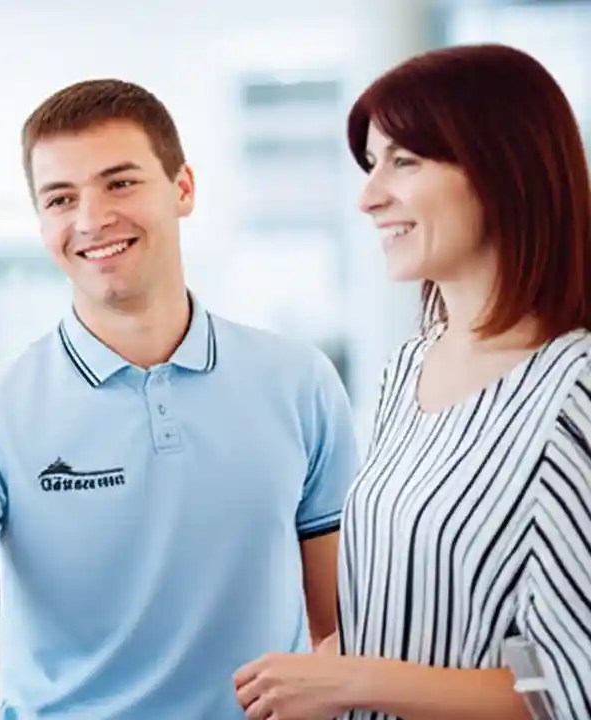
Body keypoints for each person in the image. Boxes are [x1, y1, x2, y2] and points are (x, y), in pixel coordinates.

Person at [0, 79, 361, 717]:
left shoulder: (299, 383)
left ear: (183, 189)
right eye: (61, 198)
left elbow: (340, 622)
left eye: (120, 183)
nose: (92, 219)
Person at [234, 43, 591, 720]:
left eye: (405, 161)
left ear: (503, 169)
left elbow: (570, 687)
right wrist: (318, 671)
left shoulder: (573, 393)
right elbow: (415, 613)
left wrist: (352, 682)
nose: (369, 196)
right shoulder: (409, 368)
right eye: (372, 165)